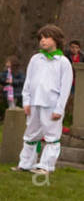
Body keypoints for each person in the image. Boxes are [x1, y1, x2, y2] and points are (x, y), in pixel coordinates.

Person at [16, 24, 73, 174]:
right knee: (31, 133)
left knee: (51, 136)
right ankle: (25, 164)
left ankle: (46, 166)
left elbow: (65, 88)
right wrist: (26, 101)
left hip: (51, 105)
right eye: (41, 38)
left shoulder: (63, 62)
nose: (43, 41)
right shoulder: (36, 59)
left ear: (56, 40)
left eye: (47, 37)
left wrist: (59, 109)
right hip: (35, 103)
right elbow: (28, 82)